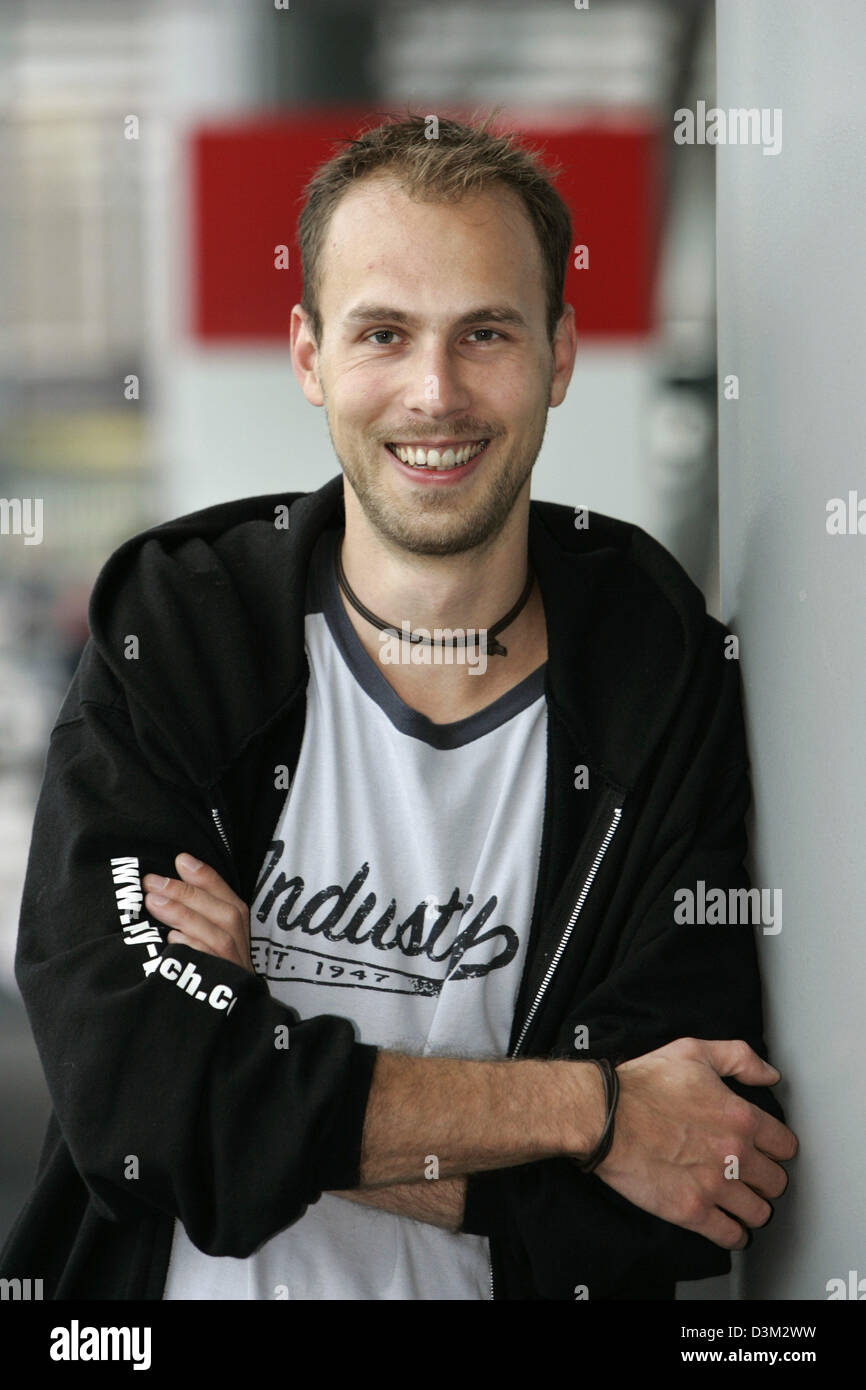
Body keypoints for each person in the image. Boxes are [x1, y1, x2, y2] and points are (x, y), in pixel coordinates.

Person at [0, 114, 796, 1301]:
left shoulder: (658, 678)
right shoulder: (182, 629)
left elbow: (682, 1195)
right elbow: (137, 1110)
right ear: (309, 355)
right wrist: (591, 1109)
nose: (435, 392)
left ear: (558, 354)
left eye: (485, 331)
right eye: (383, 332)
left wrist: (249, 1061)